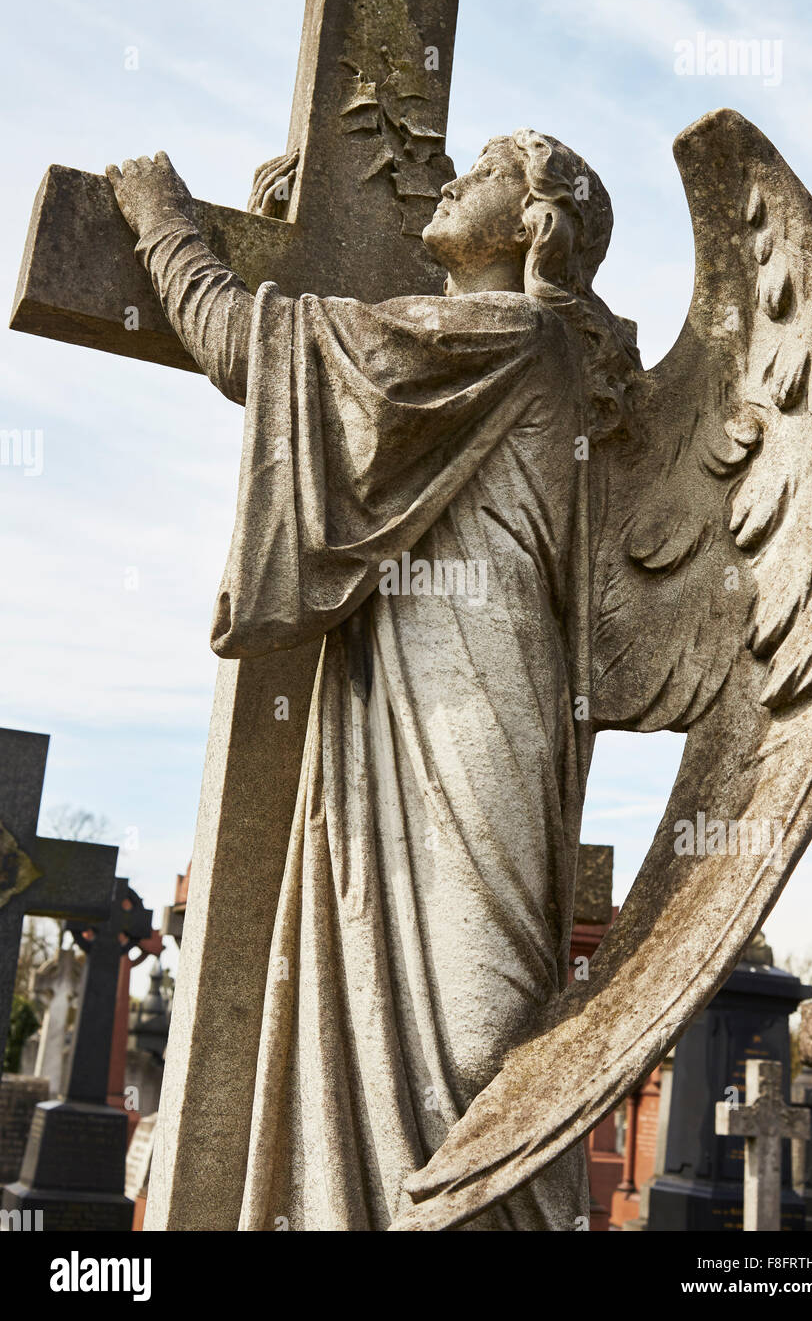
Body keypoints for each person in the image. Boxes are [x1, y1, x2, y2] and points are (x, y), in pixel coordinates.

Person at [108, 130, 635, 1229]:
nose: (451, 182)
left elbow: (261, 352)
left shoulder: (516, 336)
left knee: (479, 1028)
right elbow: (321, 373)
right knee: (391, 989)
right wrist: (287, 255)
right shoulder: (447, 345)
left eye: (485, 171)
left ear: (535, 225)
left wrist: (165, 224)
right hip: (403, 686)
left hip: (480, 704)